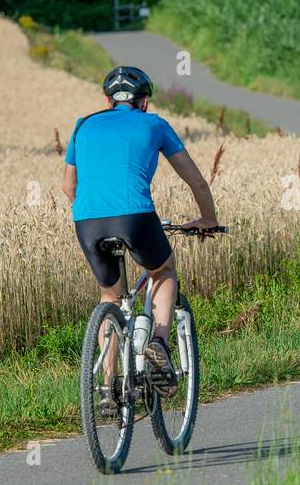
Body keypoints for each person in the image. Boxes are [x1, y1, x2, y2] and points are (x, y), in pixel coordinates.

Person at [61, 65, 218, 398]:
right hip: (135, 216)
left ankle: (106, 385)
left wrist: (94, 210)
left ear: (107, 100)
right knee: (162, 270)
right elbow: (197, 181)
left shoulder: (83, 125)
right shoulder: (155, 124)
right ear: (144, 101)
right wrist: (207, 219)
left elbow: (67, 186)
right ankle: (159, 341)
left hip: (86, 220)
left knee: (110, 297)